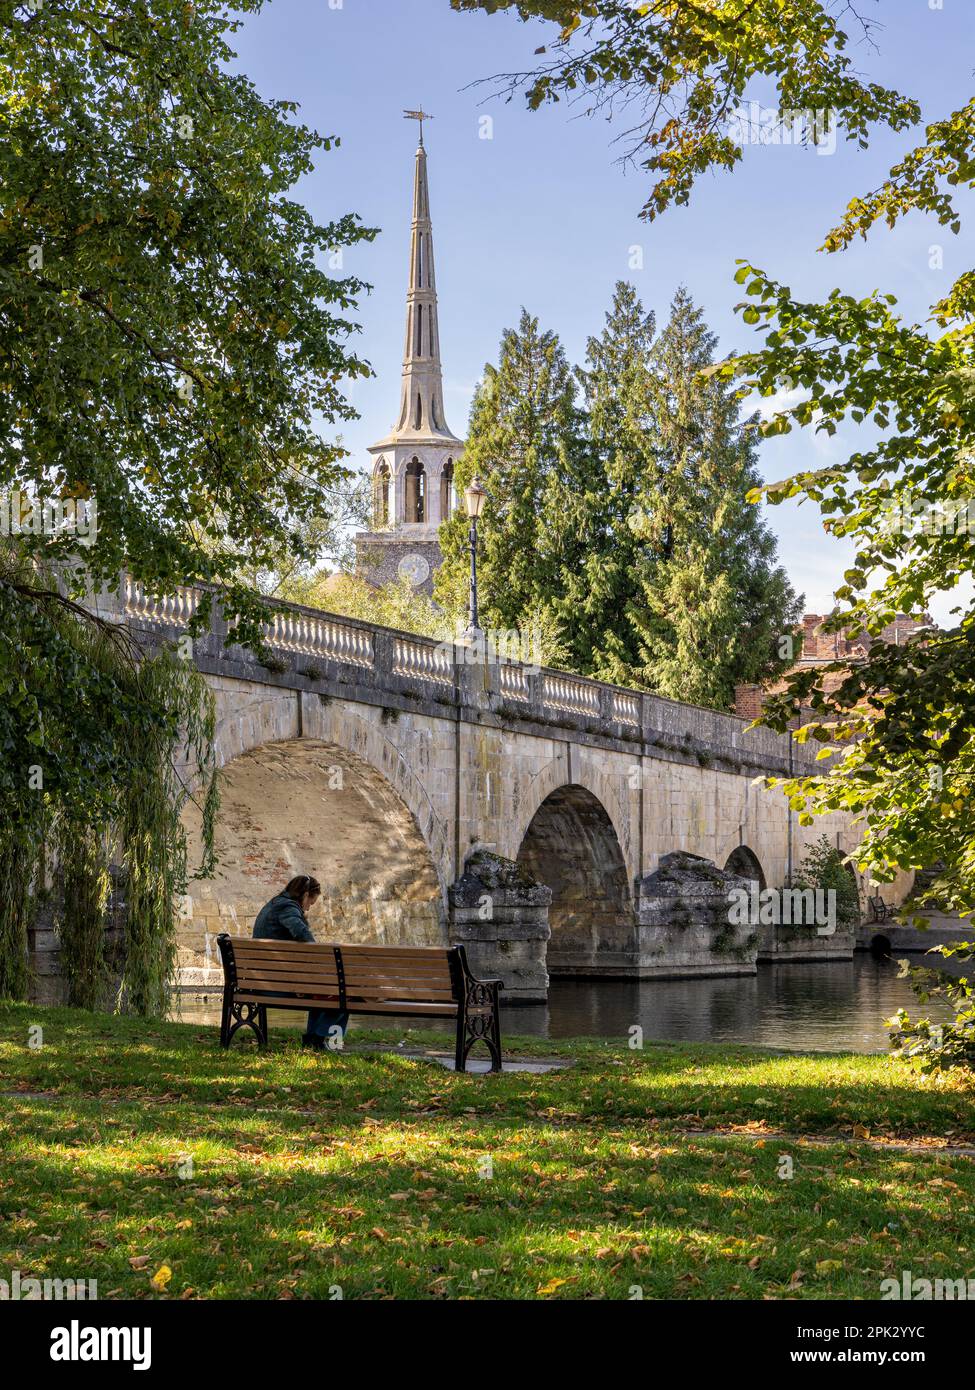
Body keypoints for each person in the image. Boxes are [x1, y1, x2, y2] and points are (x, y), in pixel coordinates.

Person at [252, 874, 349, 1052]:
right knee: (343, 994)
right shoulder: (287, 908)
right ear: (305, 895)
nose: (309, 909)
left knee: (327, 991)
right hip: (277, 984)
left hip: (265, 978)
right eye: (311, 903)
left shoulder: (274, 904)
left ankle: (314, 1040)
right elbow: (303, 936)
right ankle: (319, 1039)